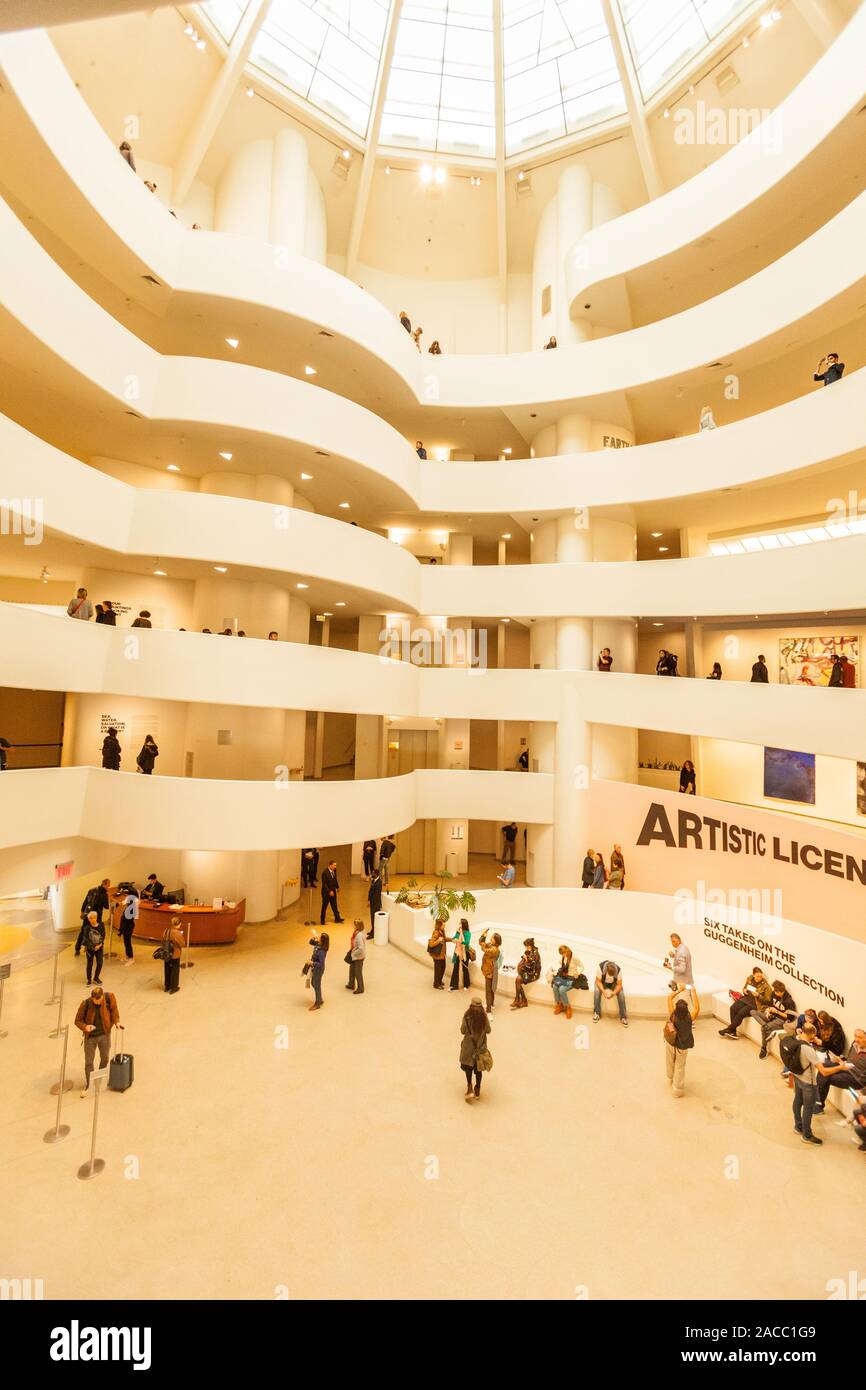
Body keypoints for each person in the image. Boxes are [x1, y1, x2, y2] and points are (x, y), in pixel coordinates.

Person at [75, 985, 122, 1097]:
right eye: (94, 1001)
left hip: (105, 1035)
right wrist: (85, 1027)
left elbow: (114, 1010)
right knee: (89, 1062)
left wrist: (117, 1022)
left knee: (105, 1058)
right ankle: (89, 1084)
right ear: (92, 998)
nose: (96, 1003)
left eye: (99, 1001)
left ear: (102, 997)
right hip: (90, 1037)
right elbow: (77, 1020)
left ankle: (99, 1080)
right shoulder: (85, 1004)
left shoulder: (109, 997)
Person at [814, 1028, 866, 1111]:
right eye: (855, 1036)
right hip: (846, 1067)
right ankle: (818, 1100)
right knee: (823, 1066)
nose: (856, 1039)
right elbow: (849, 1058)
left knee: (827, 1077)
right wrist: (840, 1059)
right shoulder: (854, 1044)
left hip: (856, 1079)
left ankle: (819, 1105)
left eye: (860, 1037)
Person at [665, 987, 700, 1097]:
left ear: (676, 1009)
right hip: (682, 1046)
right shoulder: (690, 1017)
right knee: (680, 1067)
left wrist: (679, 991)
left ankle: (670, 1077)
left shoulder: (673, 1015)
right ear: (686, 1010)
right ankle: (677, 1090)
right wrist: (694, 993)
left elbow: (669, 998)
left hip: (670, 1042)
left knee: (669, 1061)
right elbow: (697, 1008)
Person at [718, 967, 772, 1037]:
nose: (759, 978)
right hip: (746, 999)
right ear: (753, 975)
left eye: (761, 976)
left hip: (756, 1004)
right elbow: (744, 988)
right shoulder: (750, 979)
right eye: (757, 976)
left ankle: (728, 1029)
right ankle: (733, 1032)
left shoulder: (766, 986)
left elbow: (768, 1001)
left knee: (741, 1013)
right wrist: (744, 990)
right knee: (733, 1008)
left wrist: (758, 996)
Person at [751, 980, 797, 1058]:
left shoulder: (789, 1001)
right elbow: (770, 1004)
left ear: (781, 992)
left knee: (763, 1029)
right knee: (752, 1012)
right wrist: (768, 1010)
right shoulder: (774, 994)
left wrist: (777, 1011)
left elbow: (790, 1017)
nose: (774, 993)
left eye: (776, 992)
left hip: (781, 1020)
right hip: (772, 1016)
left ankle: (764, 1048)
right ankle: (766, 1026)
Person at [460, 998, 491, 1103]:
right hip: (480, 1048)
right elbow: (488, 1030)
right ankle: (477, 1090)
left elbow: (462, 1031)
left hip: (468, 1048)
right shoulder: (484, 1017)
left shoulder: (467, 1015)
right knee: (478, 1070)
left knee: (468, 1068)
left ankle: (469, 1088)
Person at [75, 878, 111, 954]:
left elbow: (85, 902)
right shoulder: (104, 894)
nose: (109, 886)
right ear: (104, 884)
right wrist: (109, 898)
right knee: (96, 932)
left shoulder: (92, 890)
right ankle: (94, 948)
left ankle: (77, 949)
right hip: (96, 916)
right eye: (108, 885)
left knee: (83, 931)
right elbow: (106, 906)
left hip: (87, 915)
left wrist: (82, 912)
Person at [550, 945, 583, 1019]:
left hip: (572, 978)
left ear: (567, 951)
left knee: (562, 989)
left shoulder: (574, 957)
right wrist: (554, 970)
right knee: (555, 986)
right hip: (564, 977)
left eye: (563, 953)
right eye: (561, 954)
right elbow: (561, 964)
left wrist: (578, 972)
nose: (563, 955)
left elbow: (582, 966)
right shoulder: (563, 957)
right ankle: (559, 1004)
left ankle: (568, 1007)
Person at [593, 959, 627, 1025]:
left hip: (613, 984)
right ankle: (597, 1013)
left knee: (621, 994)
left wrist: (613, 993)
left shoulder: (619, 970)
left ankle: (623, 1017)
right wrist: (603, 991)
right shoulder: (600, 967)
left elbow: (619, 984)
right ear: (606, 970)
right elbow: (598, 981)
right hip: (602, 982)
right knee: (597, 992)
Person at [511, 937, 541, 1010]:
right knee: (517, 980)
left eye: (527, 946)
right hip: (527, 972)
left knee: (518, 979)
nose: (526, 947)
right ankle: (522, 1000)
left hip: (533, 974)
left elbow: (531, 968)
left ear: (530, 945)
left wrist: (526, 959)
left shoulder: (535, 954)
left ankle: (518, 999)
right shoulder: (529, 951)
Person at [478, 929, 502, 1014]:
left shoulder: (495, 950)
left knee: (488, 990)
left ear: (496, 940)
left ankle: (488, 1010)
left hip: (490, 971)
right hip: (489, 969)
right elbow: (481, 943)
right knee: (491, 989)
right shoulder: (491, 945)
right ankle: (491, 1004)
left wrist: (484, 941)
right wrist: (483, 936)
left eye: (492, 938)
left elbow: (484, 949)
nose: (490, 938)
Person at [162, 915, 185, 994]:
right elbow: (182, 944)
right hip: (175, 955)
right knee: (175, 970)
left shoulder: (166, 931)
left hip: (167, 953)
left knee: (167, 969)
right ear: (179, 924)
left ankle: (167, 986)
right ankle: (174, 987)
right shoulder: (178, 934)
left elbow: (163, 940)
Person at [308, 930, 329, 1010]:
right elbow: (310, 942)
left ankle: (317, 1003)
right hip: (315, 968)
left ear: (322, 940)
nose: (318, 937)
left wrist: (312, 963)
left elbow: (321, 964)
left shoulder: (321, 951)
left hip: (318, 970)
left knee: (316, 985)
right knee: (314, 983)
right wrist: (313, 937)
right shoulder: (318, 944)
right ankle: (319, 998)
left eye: (319, 937)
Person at [82, 911, 105, 985]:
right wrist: (93, 947)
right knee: (90, 964)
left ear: (96, 918)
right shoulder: (87, 928)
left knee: (100, 963)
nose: (92, 919)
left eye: (94, 918)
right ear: (88, 919)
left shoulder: (101, 925)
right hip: (90, 949)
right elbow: (86, 939)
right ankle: (89, 979)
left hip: (99, 947)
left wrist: (100, 945)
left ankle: (96, 978)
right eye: (90, 918)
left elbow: (103, 936)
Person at [449, 917, 471, 992]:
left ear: (463, 925)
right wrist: (454, 940)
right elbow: (454, 937)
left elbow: (467, 942)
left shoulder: (468, 933)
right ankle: (454, 985)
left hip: (465, 952)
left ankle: (466, 984)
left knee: (465, 968)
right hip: (458, 951)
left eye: (460, 923)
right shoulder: (458, 931)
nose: (459, 924)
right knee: (456, 967)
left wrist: (459, 941)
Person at [118, 887, 138, 964]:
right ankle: (127, 956)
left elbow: (128, 919)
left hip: (128, 926)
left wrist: (122, 929)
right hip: (127, 925)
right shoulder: (130, 903)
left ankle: (131, 958)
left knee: (127, 942)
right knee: (126, 942)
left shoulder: (132, 906)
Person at [347, 920, 366, 995]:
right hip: (354, 955)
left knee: (358, 973)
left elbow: (361, 948)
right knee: (351, 970)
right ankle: (351, 984)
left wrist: (353, 953)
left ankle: (360, 988)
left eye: (355, 925)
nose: (353, 926)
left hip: (358, 957)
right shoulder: (357, 933)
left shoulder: (359, 935)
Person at [428, 919, 447, 989]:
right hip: (437, 955)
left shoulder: (441, 931)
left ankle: (439, 981)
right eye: (443, 924)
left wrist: (452, 939)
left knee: (443, 968)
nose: (444, 925)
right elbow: (431, 944)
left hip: (442, 955)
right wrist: (438, 941)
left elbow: (444, 939)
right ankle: (436, 984)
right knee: (438, 970)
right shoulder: (436, 933)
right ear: (440, 925)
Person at [367, 867, 382, 939]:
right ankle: (372, 930)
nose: (372, 874)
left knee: (374, 918)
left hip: (376, 904)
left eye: (373, 873)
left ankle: (374, 934)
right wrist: (369, 900)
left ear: (376, 874)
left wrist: (371, 902)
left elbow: (377, 895)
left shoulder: (379, 883)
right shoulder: (373, 881)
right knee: (372, 917)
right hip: (372, 903)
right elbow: (370, 891)